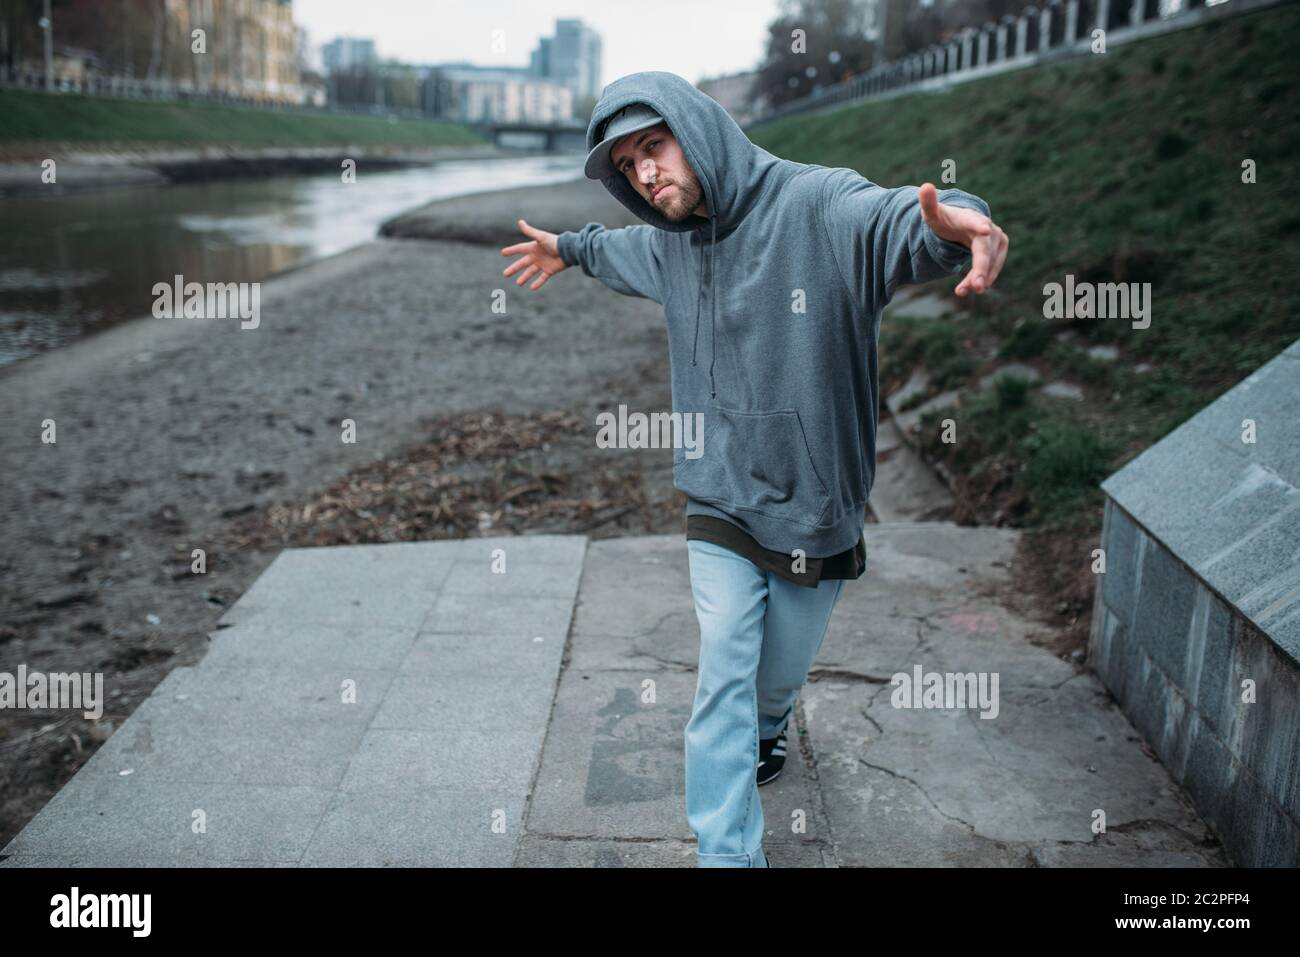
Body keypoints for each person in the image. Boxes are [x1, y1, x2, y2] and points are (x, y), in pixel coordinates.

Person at [500, 71, 1009, 868]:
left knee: (775, 680)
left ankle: (772, 728)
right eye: (629, 165)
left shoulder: (814, 206)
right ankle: (727, 854)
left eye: (654, 147)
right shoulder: (668, 245)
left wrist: (959, 227)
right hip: (718, 497)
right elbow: (617, 246)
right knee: (724, 678)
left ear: (696, 131)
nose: (645, 173)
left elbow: (898, 224)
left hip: (815, 505)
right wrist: (566, 248)